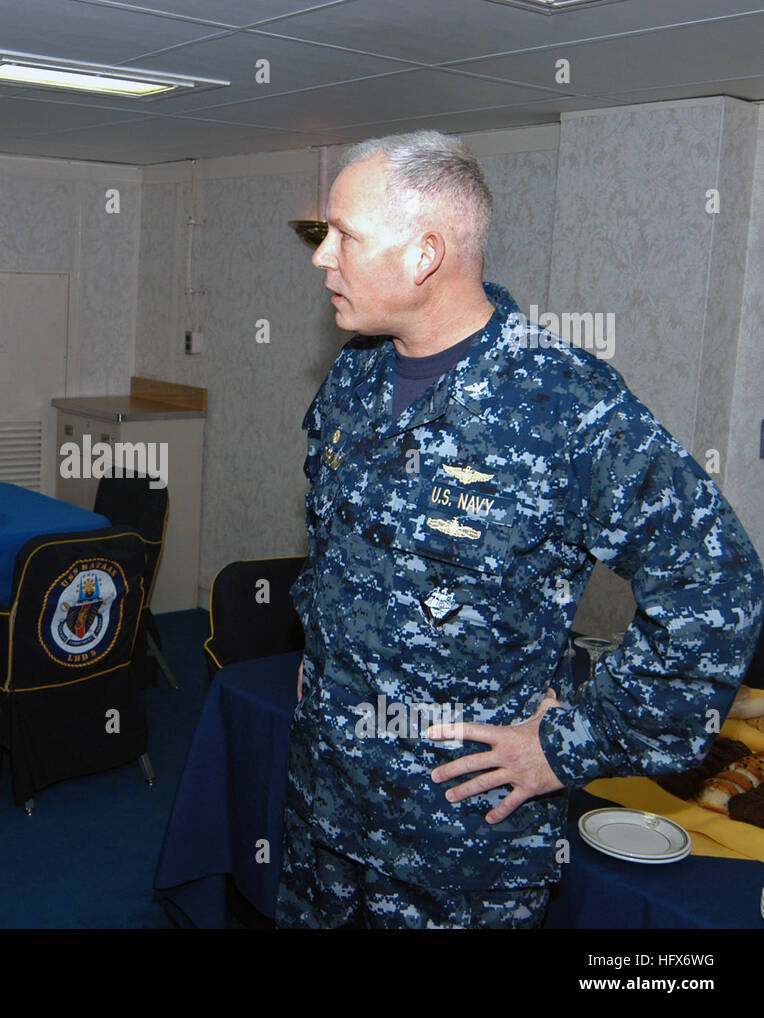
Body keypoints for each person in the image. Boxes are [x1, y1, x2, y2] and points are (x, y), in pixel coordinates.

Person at [276, 130, 764, 929]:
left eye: (345, 237)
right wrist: (321, 640)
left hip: (458, 840)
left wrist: (572, 742)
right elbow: (340, 536)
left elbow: (717, 586)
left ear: (424, 253)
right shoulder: (355, 373)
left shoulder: (564, 401)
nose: (321, 257)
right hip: (325, 805)